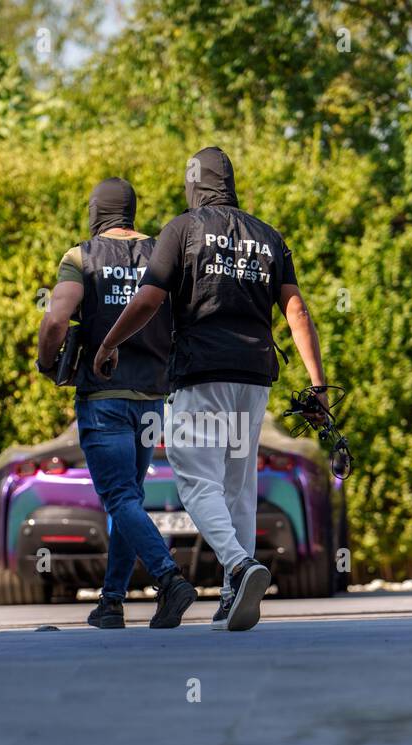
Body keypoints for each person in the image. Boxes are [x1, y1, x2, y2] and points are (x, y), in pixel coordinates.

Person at [91, 147, 328, 631]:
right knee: (238, 486)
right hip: (255, 378)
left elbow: (151, 298)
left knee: (195, 478)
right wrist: (318, 385)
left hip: (203, 374)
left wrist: (109, 342)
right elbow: (297, 312)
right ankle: (229, 595)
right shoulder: (269, 237)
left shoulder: (182, 229)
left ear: (193, 183)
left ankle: (240, 566)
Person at [36, 177, 198, 629]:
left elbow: (56, 319)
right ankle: (110, 602)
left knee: (120, 497)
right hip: (152, 398)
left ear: (95, 210)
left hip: (104, 396)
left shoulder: (81, 256)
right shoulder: (163, 252)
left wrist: (48, 363)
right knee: (130, 498)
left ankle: (169, 579)